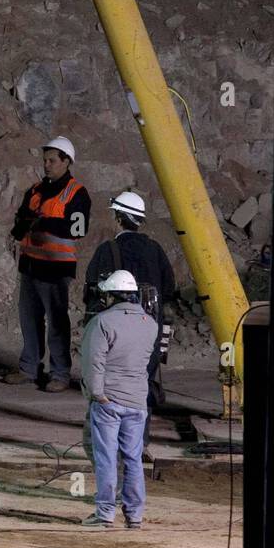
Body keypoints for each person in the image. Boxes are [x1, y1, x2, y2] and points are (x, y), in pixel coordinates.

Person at [82, 190, 175, 446]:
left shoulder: (108, 250)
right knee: (141, 386)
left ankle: (109, 446)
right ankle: (137, 445)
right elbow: (169, 288)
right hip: (149, 332)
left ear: (118, 217)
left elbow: (91, 292)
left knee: (109, 389)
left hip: (114, 333)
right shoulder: (155, 249)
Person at [5, 136, 91, 392]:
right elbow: (21, 221)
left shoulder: (76, 193)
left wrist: (40, 222)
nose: (47, 164)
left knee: (56, 323)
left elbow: (77, 229)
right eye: (45, 160)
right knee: (29, 320)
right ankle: (29, 369)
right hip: (31, 265)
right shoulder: (34, 190)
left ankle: (60, 374)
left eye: (52, 160)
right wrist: (24, 225)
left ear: (67, 162)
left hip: (55, 269)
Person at [79, 270, 158, 529]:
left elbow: (93, 363)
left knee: (106, 457)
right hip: (137, 402)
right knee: (133, 458)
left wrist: (97, 394)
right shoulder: (150, 324)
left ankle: (105, 514)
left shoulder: (102, 322)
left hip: (109, 401)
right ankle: (134, 516)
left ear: (110, 296)